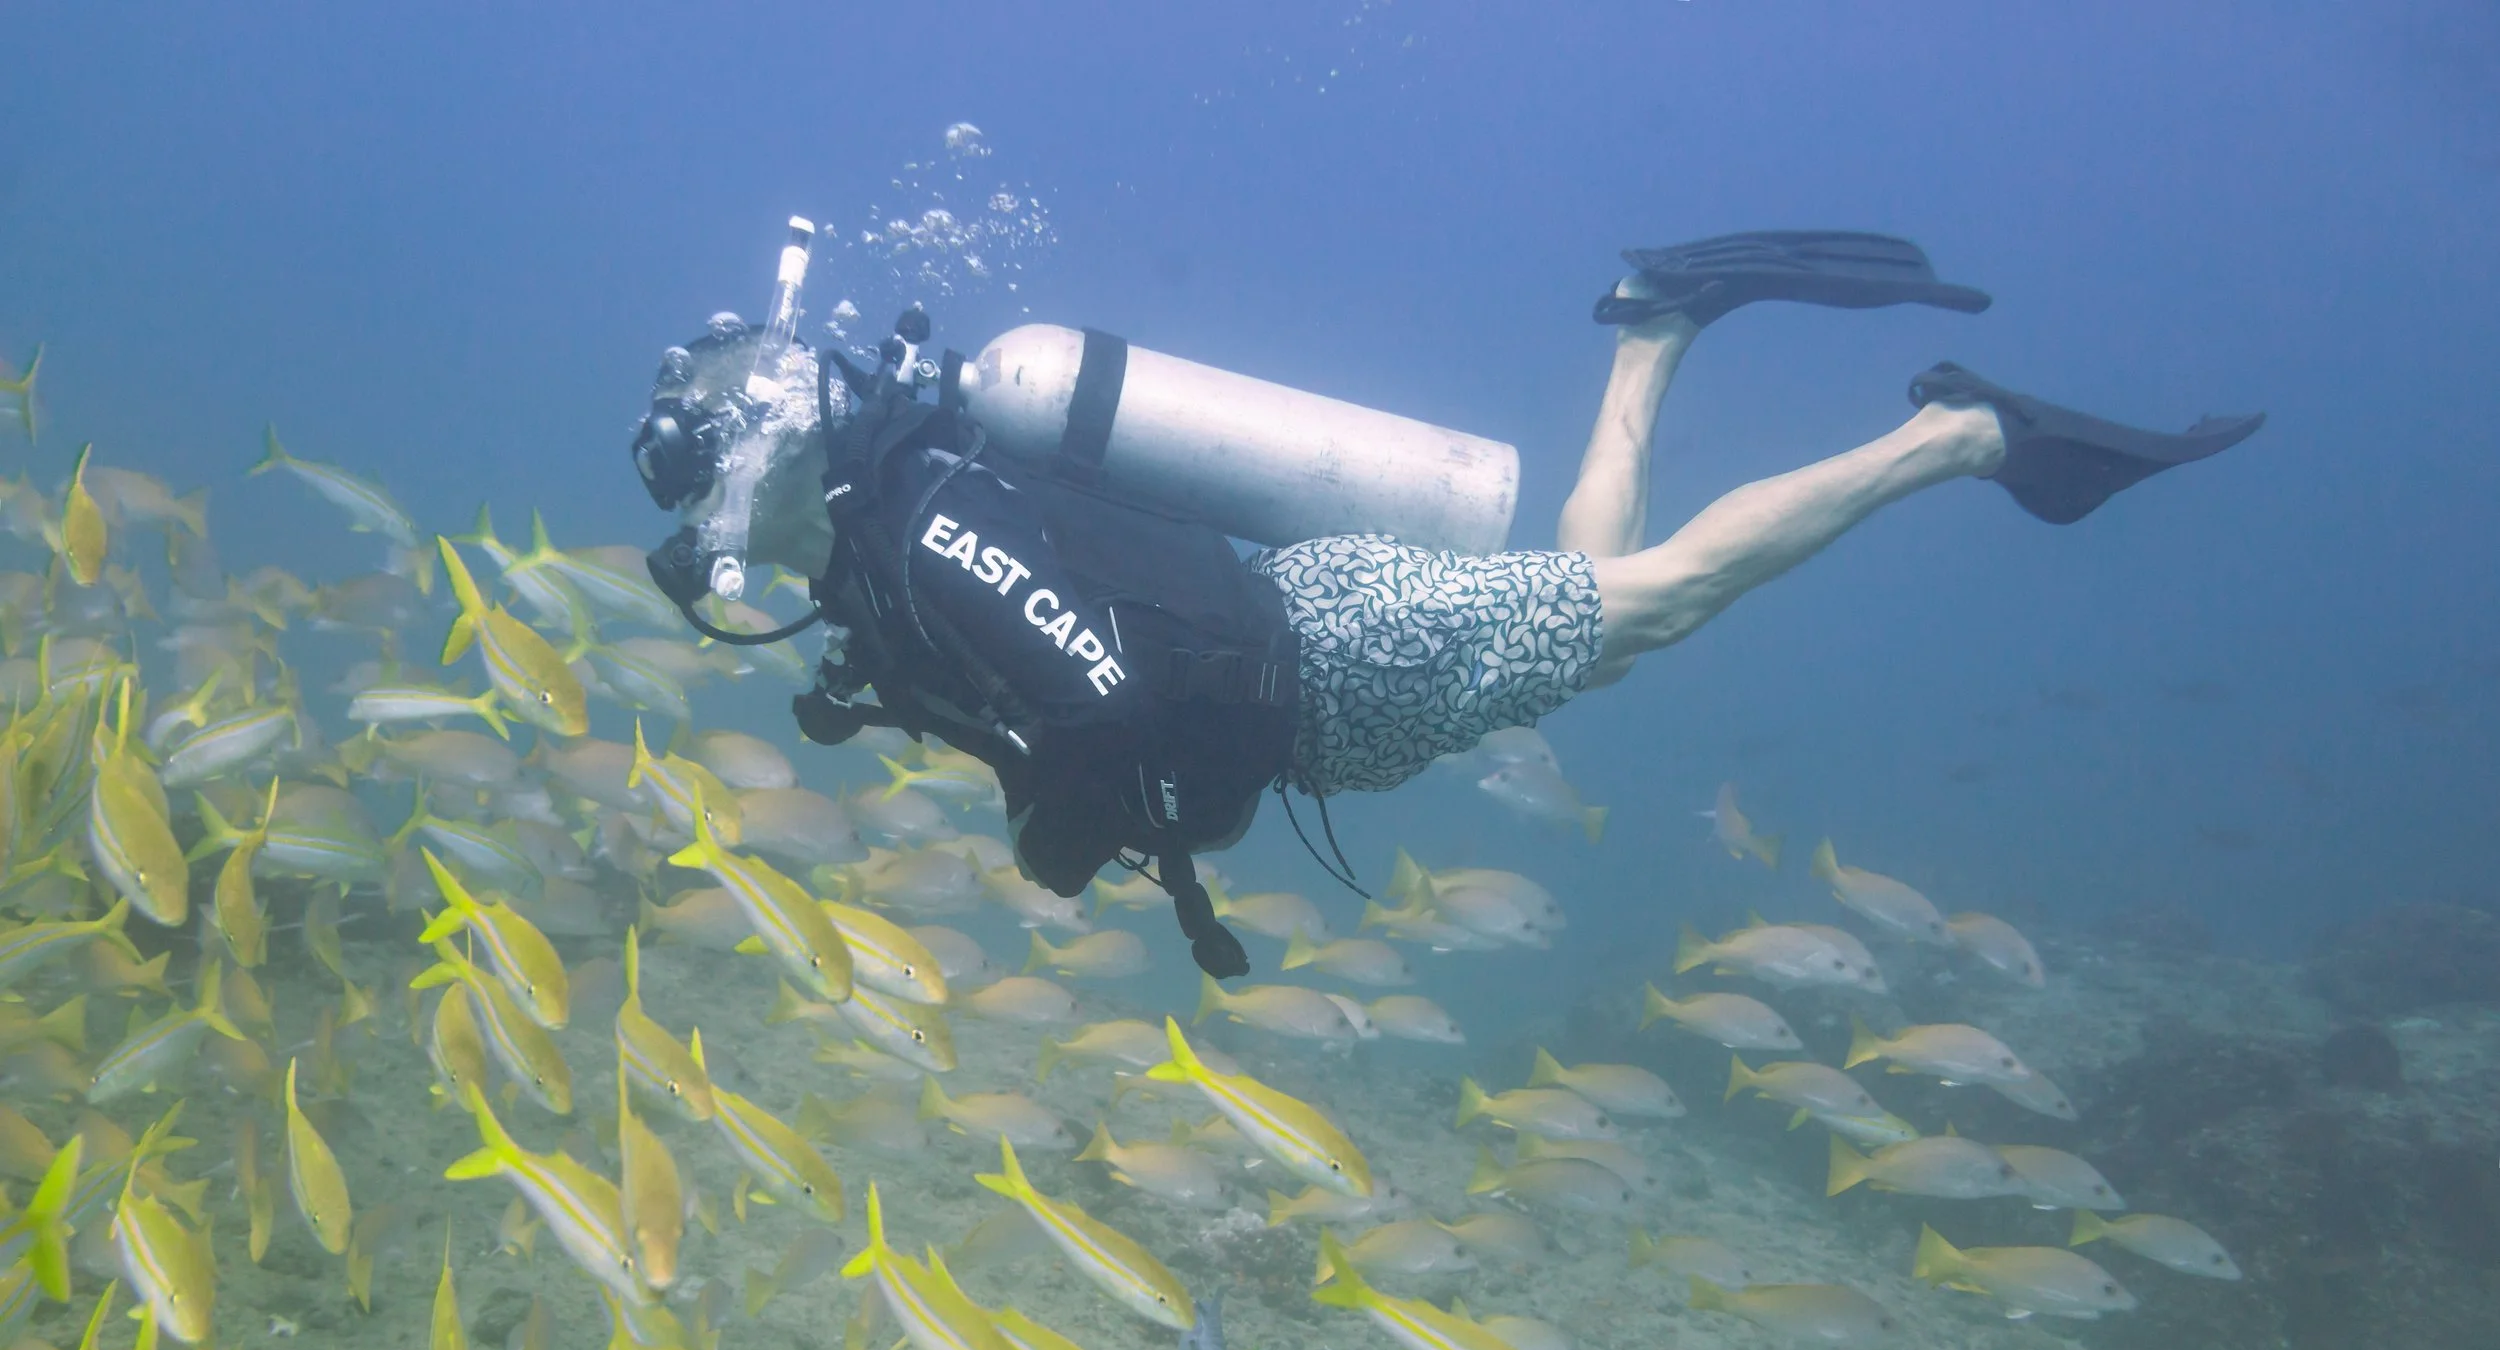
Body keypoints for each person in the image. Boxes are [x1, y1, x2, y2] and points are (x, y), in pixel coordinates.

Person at [631, 231, 2260, 971]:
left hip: (1329, 657)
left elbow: (1102, 696)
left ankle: (1959, 434)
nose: (728, 551)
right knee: (1592, 624)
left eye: (718, 513)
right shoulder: (904, 527)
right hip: (1322, 653)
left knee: (1666, 600)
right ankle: (1655, 320)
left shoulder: (918, 532)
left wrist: (1055, 850)